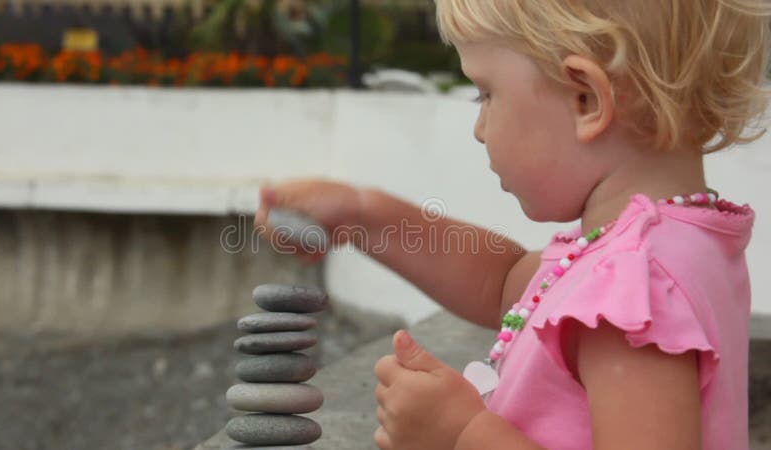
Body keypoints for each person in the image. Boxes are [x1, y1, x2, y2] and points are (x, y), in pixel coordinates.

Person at [254, 0, 771, 448]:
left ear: (586, 99)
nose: (479, 129)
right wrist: (363, 216)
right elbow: (502, 282)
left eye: (485, 93)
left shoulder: (635, 290)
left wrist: (461, 435)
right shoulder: (661, 246)